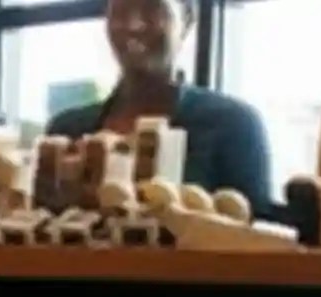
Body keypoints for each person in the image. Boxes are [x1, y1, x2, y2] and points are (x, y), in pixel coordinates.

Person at [46, 0, 273, 218]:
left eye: (152, 8)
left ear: (187, 21)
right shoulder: (67, 129)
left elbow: (258, 244)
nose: (133, 25)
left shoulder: (232, 125)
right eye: (121, 10)